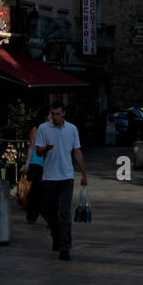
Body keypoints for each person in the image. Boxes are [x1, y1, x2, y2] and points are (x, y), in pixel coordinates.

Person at [35, 102, 87, 261]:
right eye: (52, 114)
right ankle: (56, 237)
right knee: (51, 213)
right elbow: (38, 151)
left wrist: (84, 173)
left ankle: (65, 248)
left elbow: (76, 151)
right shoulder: (43, 129)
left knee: (64, 213)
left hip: (66, 177)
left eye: (57, 114)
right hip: (49, 177)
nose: (54, 117)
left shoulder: (72, 129)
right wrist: (46, 148)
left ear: (63, 113)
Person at [23, 109, 50, 225]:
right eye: (50, 114)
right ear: (45, 116)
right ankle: (42, 214)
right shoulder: (36, 129)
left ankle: (33, 215)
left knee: (38, 191)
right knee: (38, 190)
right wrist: (27, 163)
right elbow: (31, 147)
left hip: (45, 163)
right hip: (35, 163)